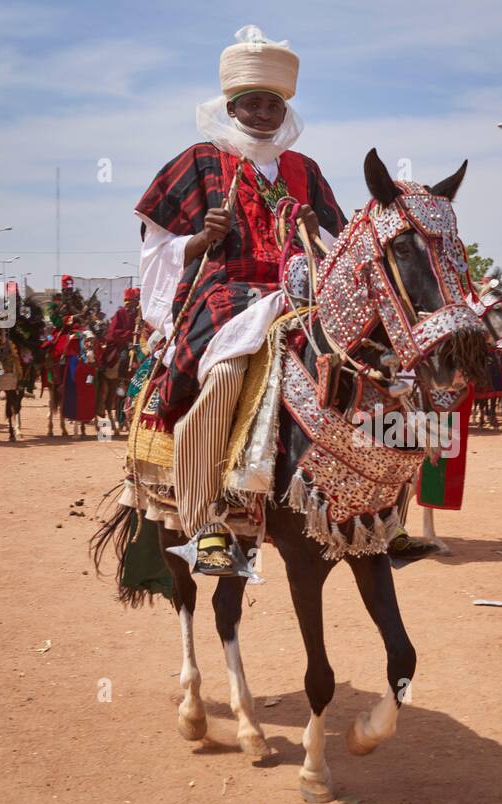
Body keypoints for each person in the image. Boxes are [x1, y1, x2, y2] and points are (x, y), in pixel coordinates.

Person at [130, 24, 345, 575]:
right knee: (225, 376)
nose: (264, 114)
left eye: (272, 104)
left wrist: (315, 229)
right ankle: (207, 523)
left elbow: (338, 248)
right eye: (253, 103)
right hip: (225, 295)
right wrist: (203, 237)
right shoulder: (202, 160)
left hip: (300, 297)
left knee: (360, 373)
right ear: (232, 105)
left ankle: (363, 509)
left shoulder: (305, 170)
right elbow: (156, 248)